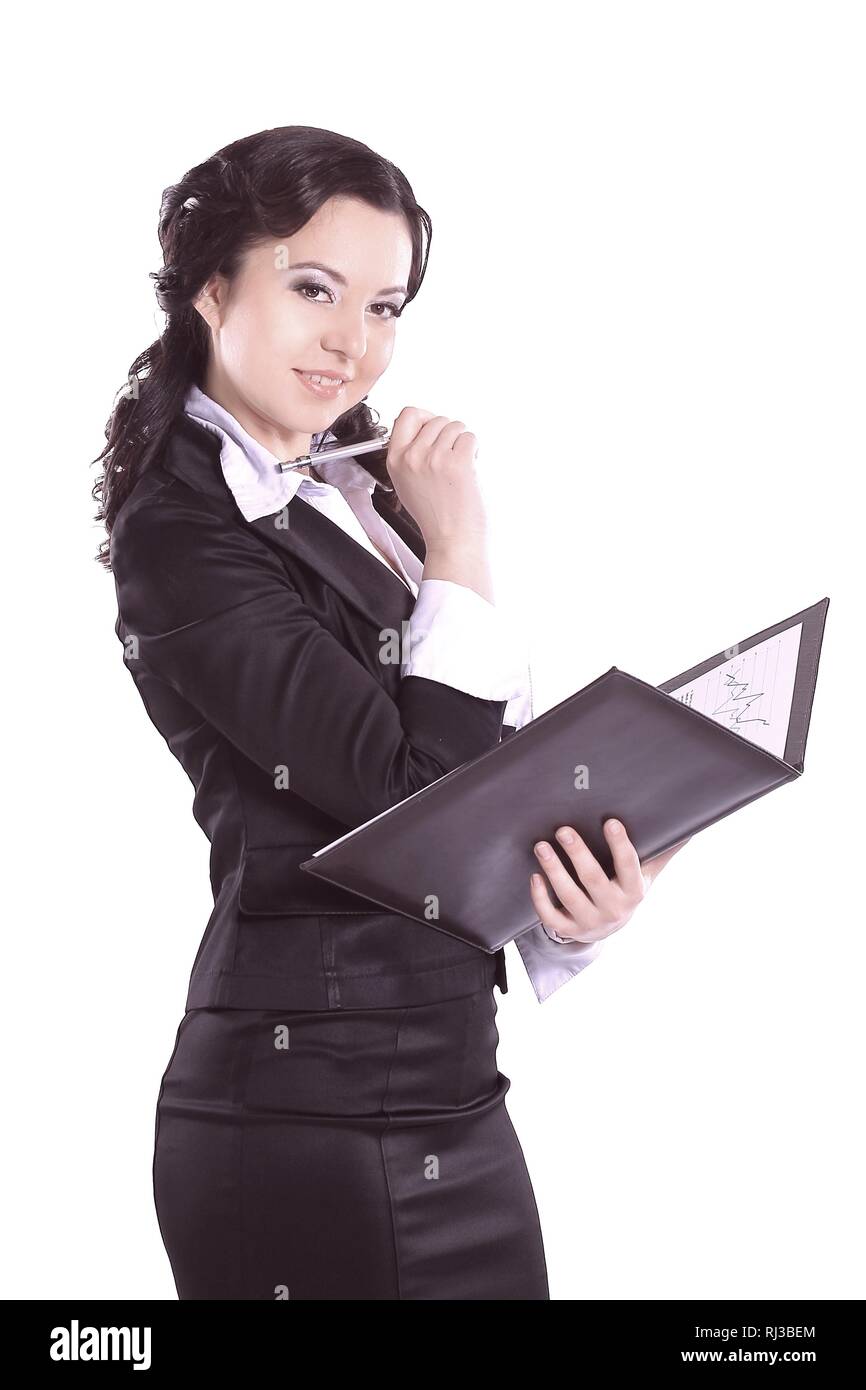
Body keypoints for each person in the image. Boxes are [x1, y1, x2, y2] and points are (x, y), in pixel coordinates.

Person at [93, 124, 686, 1301]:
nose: (350, 343)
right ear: (213, 288)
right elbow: (410, 794)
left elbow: (470, 788)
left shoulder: (357, 494)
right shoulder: (183, 532)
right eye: (313, 289)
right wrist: (461, 540)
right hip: (299, 1117)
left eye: (382, 305)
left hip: (449, 1088)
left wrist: (575, 898)